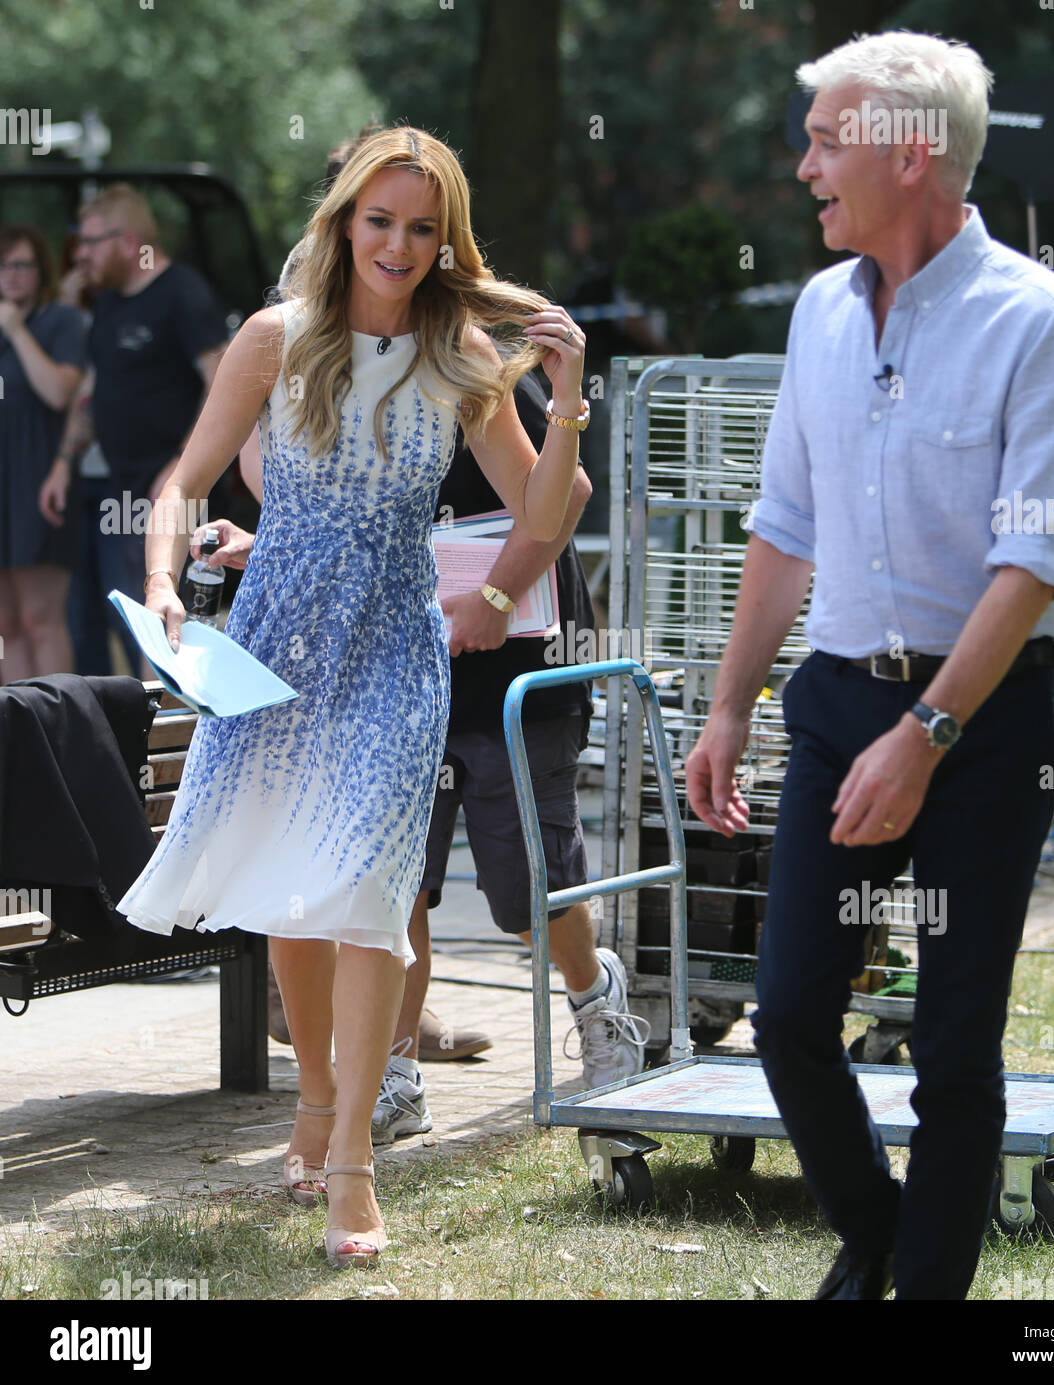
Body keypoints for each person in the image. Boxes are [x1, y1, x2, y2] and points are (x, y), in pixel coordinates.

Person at [116, 126, 588, 1267]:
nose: (399, 244)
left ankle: (352, 1170)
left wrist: (566, 392)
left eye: (423, 228)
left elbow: (545, 512)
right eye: (379, 221)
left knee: (374, 890)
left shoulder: (461, 353)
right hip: (277, 636)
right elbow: (183, 478)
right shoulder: (277, 338)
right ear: (343, 224)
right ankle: (321, 1097)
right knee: (293, 880)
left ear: (445, 240)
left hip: (394, 643)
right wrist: (163, 577)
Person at [685, 32, 1054, 1300]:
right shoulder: (820, 308)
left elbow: (1031, 564)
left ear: (909, 154)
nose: (805, 162)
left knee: (953, 1043)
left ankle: (919, 1286)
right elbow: (784, 525)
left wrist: (924, 733)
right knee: (794, 1015)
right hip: (833, 703)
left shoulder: (1045, 326)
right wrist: (725, 707)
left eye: (826, 139)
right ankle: (878, 1236)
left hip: (983, 719)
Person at [210, 369, 644, 1144]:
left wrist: (498, 598)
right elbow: (324, 517)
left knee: (525, 891)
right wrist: (261, 548)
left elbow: (564, 494)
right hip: (399, 667)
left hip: (516, 660)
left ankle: (596, 999)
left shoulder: (465, 358)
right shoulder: (316, 373)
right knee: (394, 880)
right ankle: (394, 1076)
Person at [57, 184, 227, 678]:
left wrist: (181, 467)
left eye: (90, 241)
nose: (80, 253)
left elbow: (222, 387)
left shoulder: (183, 293)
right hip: (119, 491)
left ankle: (173, 746)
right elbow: (93, 388)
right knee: (129, 624)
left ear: (129, 241)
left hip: (173, 491)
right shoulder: (108, 303)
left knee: (170, 626)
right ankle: (135, 745)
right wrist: (61, 463)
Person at [0, 224, 88, 683]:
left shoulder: (60, 321)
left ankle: (57, 729)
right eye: (3, 266)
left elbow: (58, 392)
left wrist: (16, 332)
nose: (11, 277)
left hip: (40, 482)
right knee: (6, 625)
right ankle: (18, 737)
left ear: (41, 271)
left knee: (40, 618)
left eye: (22, 265)